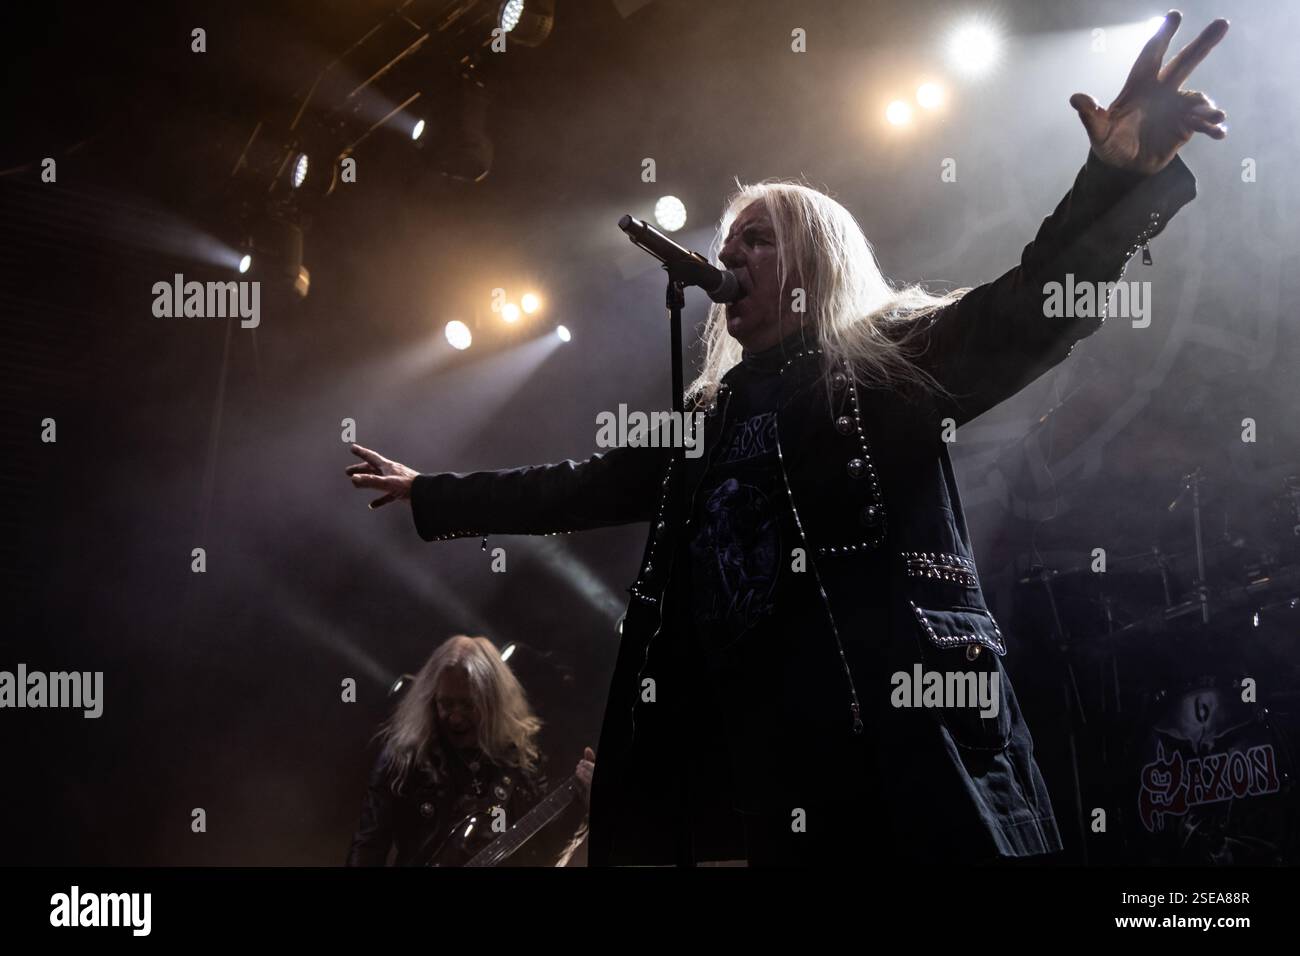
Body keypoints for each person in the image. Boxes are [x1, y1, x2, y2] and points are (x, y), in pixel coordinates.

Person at [346, 13, 1228, 865]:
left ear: (816, 262)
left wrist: (1111, 180)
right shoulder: (709, 417)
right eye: (728, 243)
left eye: (757, 242)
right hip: (760, 763)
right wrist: (435, 492)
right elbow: (582, 484)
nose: (731, 260)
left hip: (893, 730)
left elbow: (1029, 304)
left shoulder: (889, 367)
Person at [346, 635, 594, 867]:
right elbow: (368, 847)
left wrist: (581, 810)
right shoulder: (404, 757)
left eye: (467, 704)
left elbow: (539, 857)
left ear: (491, 702)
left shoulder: (520, 763)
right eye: (446, 703)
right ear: (432, 700)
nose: (455, 717)